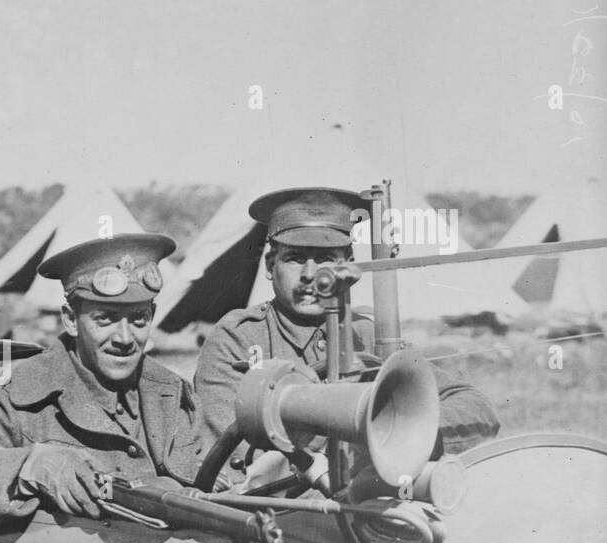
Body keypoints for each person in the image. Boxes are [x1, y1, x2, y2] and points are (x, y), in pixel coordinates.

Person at [0, 234, 211, 537]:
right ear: (70, 319)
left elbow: (214, 481)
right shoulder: (22, 398)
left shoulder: (171, 394)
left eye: (138, 318)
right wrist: (27, 466)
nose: (125, 338)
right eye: (105, 319)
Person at [194, 188, 501, 460]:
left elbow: (477, 411)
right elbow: (234, 454)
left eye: (326, 258)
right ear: (270, 266)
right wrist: (364, 443)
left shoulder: (369, 336)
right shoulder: (239, 339)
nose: (310, 274)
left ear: (348, 265)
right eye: (295, 258)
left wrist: (401, 432)